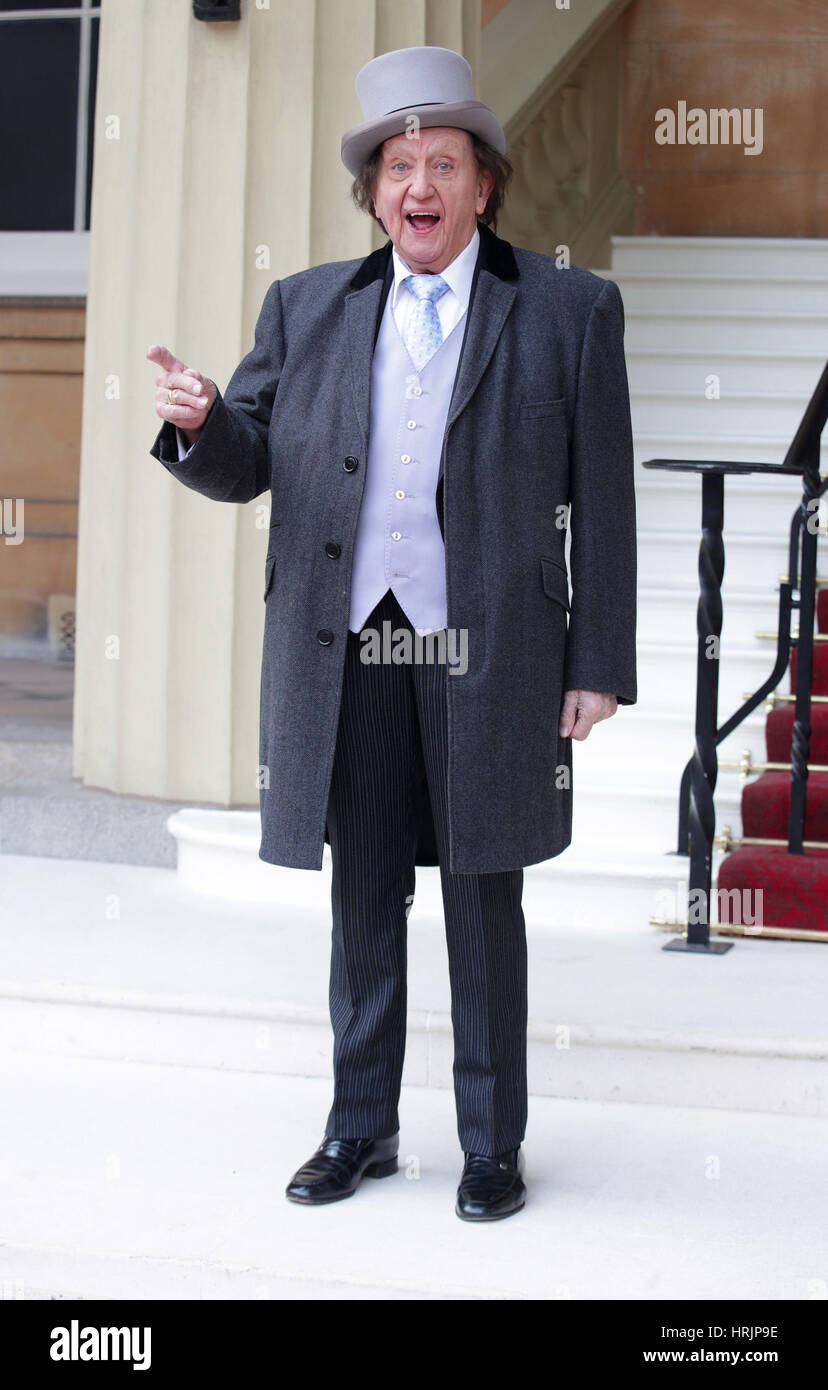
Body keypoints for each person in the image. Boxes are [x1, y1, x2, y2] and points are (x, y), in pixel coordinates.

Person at [148, 45, 637, 1222]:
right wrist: (205, 423)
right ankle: (359, 1127)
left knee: (483, 897)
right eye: (398, 164)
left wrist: (597, 664)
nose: (419, 185)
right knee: (363, 894)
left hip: (493, 652)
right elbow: (250, 461)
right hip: (355, 647)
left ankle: (488, 1146)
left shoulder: (568, 310)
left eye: (444, 163)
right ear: (373, 189)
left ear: (484, 184)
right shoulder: (308, 308)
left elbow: (604, 496)